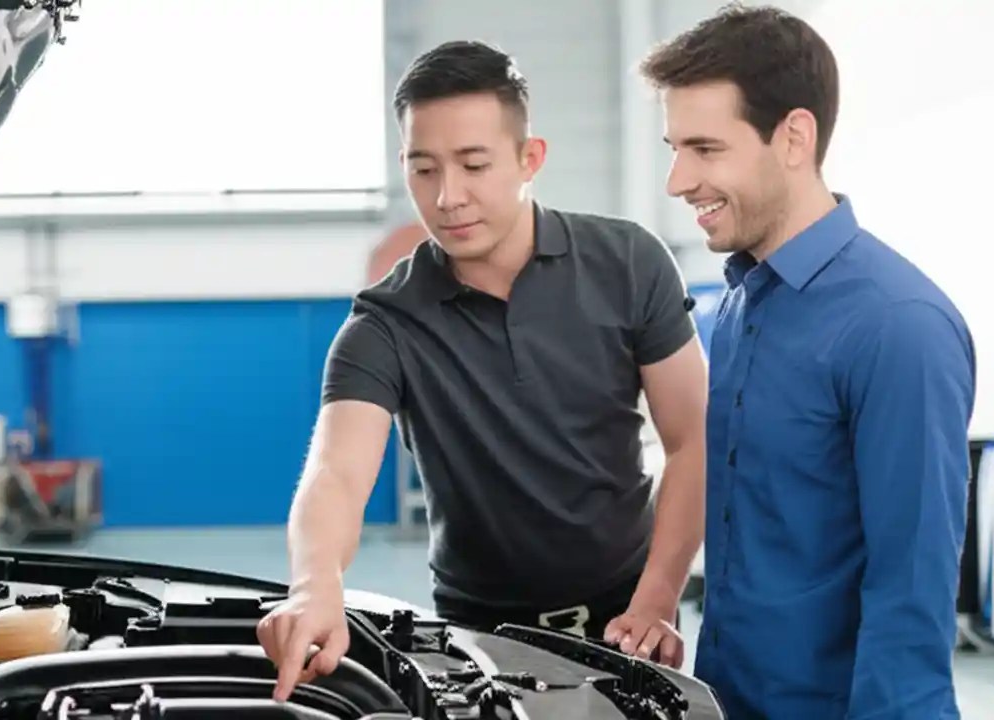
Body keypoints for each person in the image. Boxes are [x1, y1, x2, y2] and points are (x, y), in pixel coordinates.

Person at [256, 39, 709, 702]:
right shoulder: (385, 324)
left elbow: (693, 438)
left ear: (530, 159)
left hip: (629, 616)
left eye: (473, 164)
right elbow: (337, 472)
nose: (447, 197)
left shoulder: (630, 264)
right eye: (423, 169)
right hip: (478, 639)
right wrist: (314, 585)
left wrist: (659, 598)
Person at [639, 4, 976, 718]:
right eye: (674, 148)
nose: (677, 180)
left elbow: (910, 599)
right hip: (726, 698)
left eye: (705, 149)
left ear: (794, 137)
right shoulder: (736, 310)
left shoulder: (898, 327)